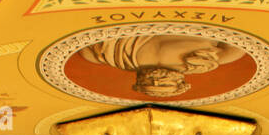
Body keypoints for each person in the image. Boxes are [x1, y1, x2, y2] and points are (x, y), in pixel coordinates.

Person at [80, 33, 244, 97]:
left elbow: (239, 43)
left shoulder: (112, 57)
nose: (157, 81)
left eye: (154, 84)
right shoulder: (111, 57)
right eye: (162, 84)